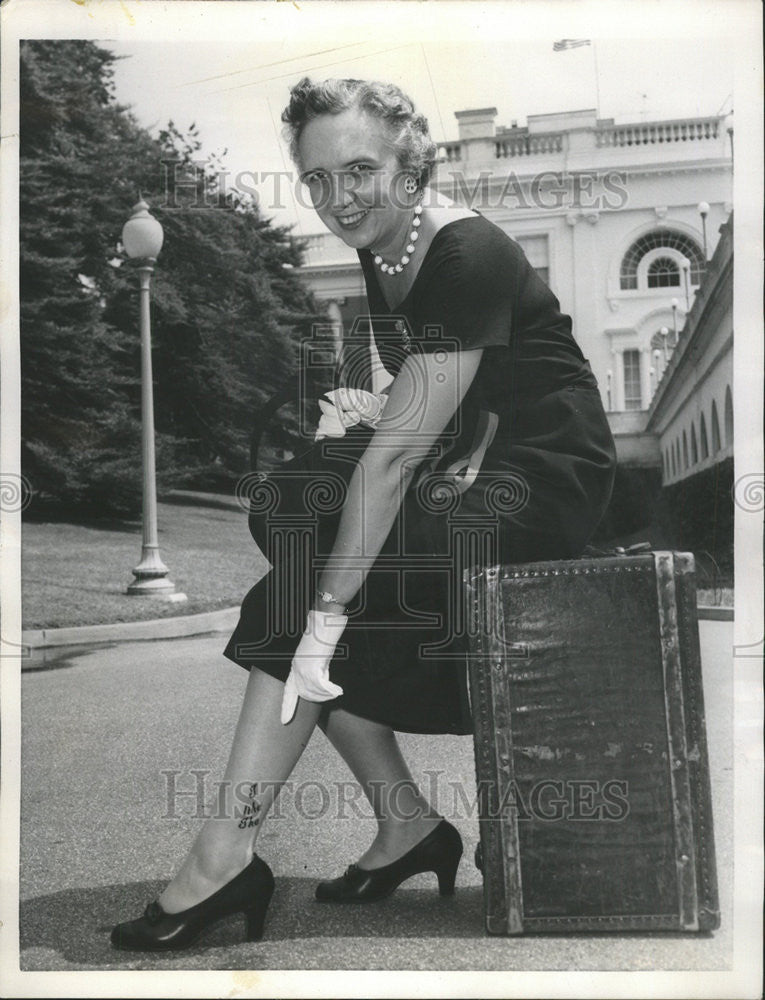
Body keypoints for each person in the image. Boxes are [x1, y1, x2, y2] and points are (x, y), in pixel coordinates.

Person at [110, 77, 616, 951]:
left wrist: (329, 612)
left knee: (305, 598)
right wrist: (375, 411)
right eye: (316, 179)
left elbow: (401, 458)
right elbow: (446, 401)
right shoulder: (387, 251)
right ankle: (402, 826)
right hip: (476, 462)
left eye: (360, 169)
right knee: (296, 509)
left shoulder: (464, 253)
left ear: (410, 161)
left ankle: (228, 857)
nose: (338, 197)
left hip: (539, 484)